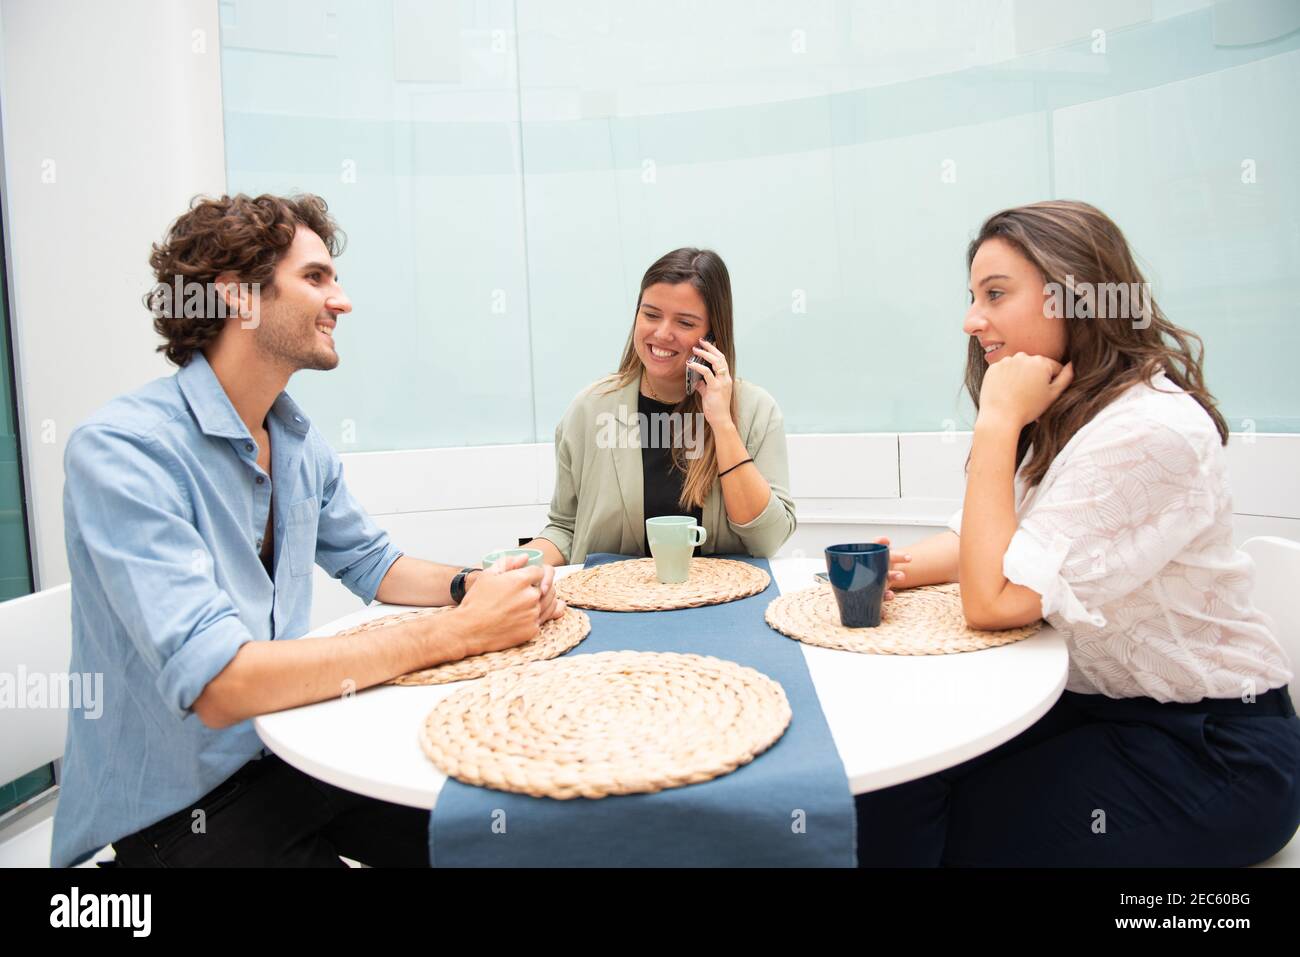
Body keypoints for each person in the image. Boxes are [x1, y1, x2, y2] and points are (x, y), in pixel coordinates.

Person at [52, 193, 563, 868]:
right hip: (177, 816)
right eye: (316, 277)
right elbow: (222, 684)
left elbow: (374, 562)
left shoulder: (294, 437)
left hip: (293, 758)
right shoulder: (123, 452)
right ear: (237, 297)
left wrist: (476, 586)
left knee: (503, 843)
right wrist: (456, 632)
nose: (341, 300)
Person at [855, 200, 1300, 866]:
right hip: (1101, 707)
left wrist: (997, 422)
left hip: (1210, 748)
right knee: (892, 789)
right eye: (974, 296)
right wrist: (884, 569)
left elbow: (994, 598)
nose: (972, 319)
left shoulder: (1147, 431)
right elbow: (988, 543)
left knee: (959, 835)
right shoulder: (1076, 411)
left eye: (995, 294)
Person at [523, 248, 796, 565]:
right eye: (651, 315)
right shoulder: (590, 409)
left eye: (684, 322)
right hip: (612, 604)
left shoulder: (757, 411)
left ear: (713, 335)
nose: (662, 333)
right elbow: (565, 528)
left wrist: (722, 424)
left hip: (724, 605)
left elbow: (768, 538)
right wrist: (515, 565)